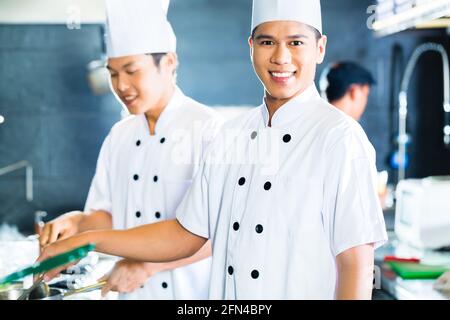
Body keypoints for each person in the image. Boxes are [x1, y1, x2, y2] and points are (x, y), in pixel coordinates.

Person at [39, 0, 387, 300]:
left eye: (296, 42)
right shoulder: (232, 135)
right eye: (267, 41)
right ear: (251, 46)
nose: (281, 57)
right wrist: (84, 241)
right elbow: (187, 234)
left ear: (320, 48)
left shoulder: (339, 138)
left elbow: (355, 263)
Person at [38, 0, 221, 300]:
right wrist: (76, 223)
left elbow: (221, 231)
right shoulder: (119, 135)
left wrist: (147, 265)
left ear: (170, 62)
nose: (121, 85)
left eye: (131, 70)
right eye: (112, 73)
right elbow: (109, 215)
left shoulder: (208, 129)